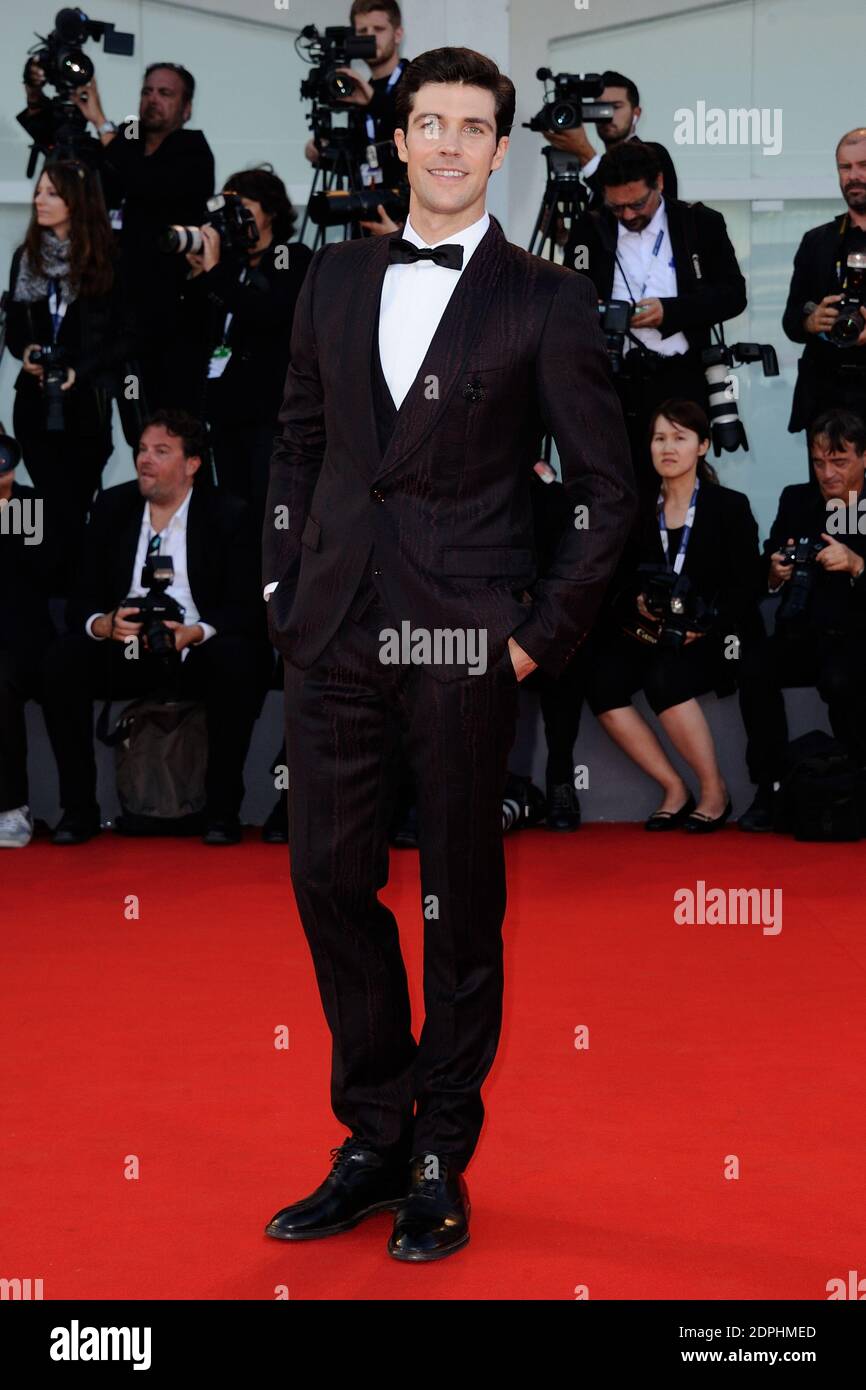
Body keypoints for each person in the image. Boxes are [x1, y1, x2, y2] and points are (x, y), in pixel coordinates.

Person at [262, 46, 635, 1261]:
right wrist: (279, 582)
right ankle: (370, 1133)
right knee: (327, 879)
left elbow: (604, 491)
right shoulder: (329, 275)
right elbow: (297, 442)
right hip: (330, 635)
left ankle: (437, 1151)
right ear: (399, 135)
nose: (445, 145)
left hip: (468, 643)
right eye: (427, 122)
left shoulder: (545, 298)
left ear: (499, 147)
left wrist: (535, 643)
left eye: (472, 127)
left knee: (457, 907)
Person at [41, 410, 273, 847]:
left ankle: (221, 811)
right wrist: (103, 624)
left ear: (192, 464)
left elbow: (246, 606)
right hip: (126, 646)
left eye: (161, 451)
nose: (145, 460)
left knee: (239, 658)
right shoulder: (112, 507)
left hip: (193, 647)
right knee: (62, 660)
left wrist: (197, 632)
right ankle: (78, 810)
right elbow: (80, 601)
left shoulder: (229, 513)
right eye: (141, 450)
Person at [585, 399, 762, 831]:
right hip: (653, 633)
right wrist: (639, 604)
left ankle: (714, 791)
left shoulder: (729, 506)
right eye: (659, 438)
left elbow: (749, 585)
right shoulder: (638, 510)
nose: (668, 447)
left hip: (717, 636)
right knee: (602, 682)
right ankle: (673, 787)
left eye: (680, 438)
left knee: (666, 677)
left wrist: (705, 625)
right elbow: (618, 581)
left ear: (702, 446)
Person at [572, 140, 747, 495]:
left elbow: (733, 295)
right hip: (615, 381)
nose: (629, 215)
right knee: (618, 487)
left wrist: (671, 311)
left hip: (681, 376)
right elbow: (571, 297)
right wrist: (603, 312)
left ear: (660, 184)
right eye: (616, 206)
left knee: (681, 485)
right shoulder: (589, 230)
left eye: (637, 203)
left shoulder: (700, 224)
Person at [5, 159, 132, 592]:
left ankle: (75, 599)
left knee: (74, 503)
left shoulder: (107, 259)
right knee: (47, 501)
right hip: (35, 399)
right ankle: (53, 600)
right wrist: (28, 353)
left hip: (86, 401)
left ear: (77, 203)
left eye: (51, 193)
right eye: (39, 191)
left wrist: (80, 369)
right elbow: (17, 329)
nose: (40, 200)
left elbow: (122, 336)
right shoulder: (27, 257)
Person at [738, 408, 866, 831]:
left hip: (856, 637)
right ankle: (770, 785)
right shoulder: (796, 499)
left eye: (839, 461)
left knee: (841, 678)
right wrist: (774, 573)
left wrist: (856, 565)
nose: (827, 473)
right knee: (755, 665)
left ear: (865, 458)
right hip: (804, 631)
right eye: (818, 462)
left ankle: (853, 787)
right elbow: (764, 565)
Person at [65, 62, 215, 414]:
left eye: (165, 93)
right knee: (136, 419)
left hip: (174, 316)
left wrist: (102, 123)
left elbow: (148, 185)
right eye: (147, 91)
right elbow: (98, 182)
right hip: (120, 314)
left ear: (186, 107)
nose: (152, 100)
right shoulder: (128, 138)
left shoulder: (192, 150)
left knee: (175, 421)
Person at [184, 166, 313, 523]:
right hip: (223, 415)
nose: (235, 218)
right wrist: (198, 278)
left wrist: (215, 275)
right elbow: (193, 333)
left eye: (243, 206)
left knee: (263, 515)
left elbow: (267, 312)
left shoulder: (291, 257)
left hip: (268, 421)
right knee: (229, 516)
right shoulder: (228, 267)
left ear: (270, 210)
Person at [783, 128, 866, 450]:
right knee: (827, 497)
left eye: (862, 165)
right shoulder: (818, 241)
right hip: (825, 400)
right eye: (845, 168)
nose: (854, 176)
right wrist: (810, 322)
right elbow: (791, 322)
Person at [305, 0, 410, 236]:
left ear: (398, 34)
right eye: (362, 32)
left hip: (407, 220)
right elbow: (359, 159)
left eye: (379, 29)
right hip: (363, 217)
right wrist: (322, 153)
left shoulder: (417, 81)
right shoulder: (355, 92)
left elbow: (418, 133)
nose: (370, 38)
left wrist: (373, 100)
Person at [0, 434, 56, 848]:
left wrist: (4, 507)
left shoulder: (29, 503)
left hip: (21, 640)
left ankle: (10, 808)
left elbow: (37, 571)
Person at [545, 69, 678, 210]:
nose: (606, 115)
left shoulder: (653, 154)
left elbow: (646, 216)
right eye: (599, 107)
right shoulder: (601, 163)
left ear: (636, 114)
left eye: (616, 107)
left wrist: (584, 152)